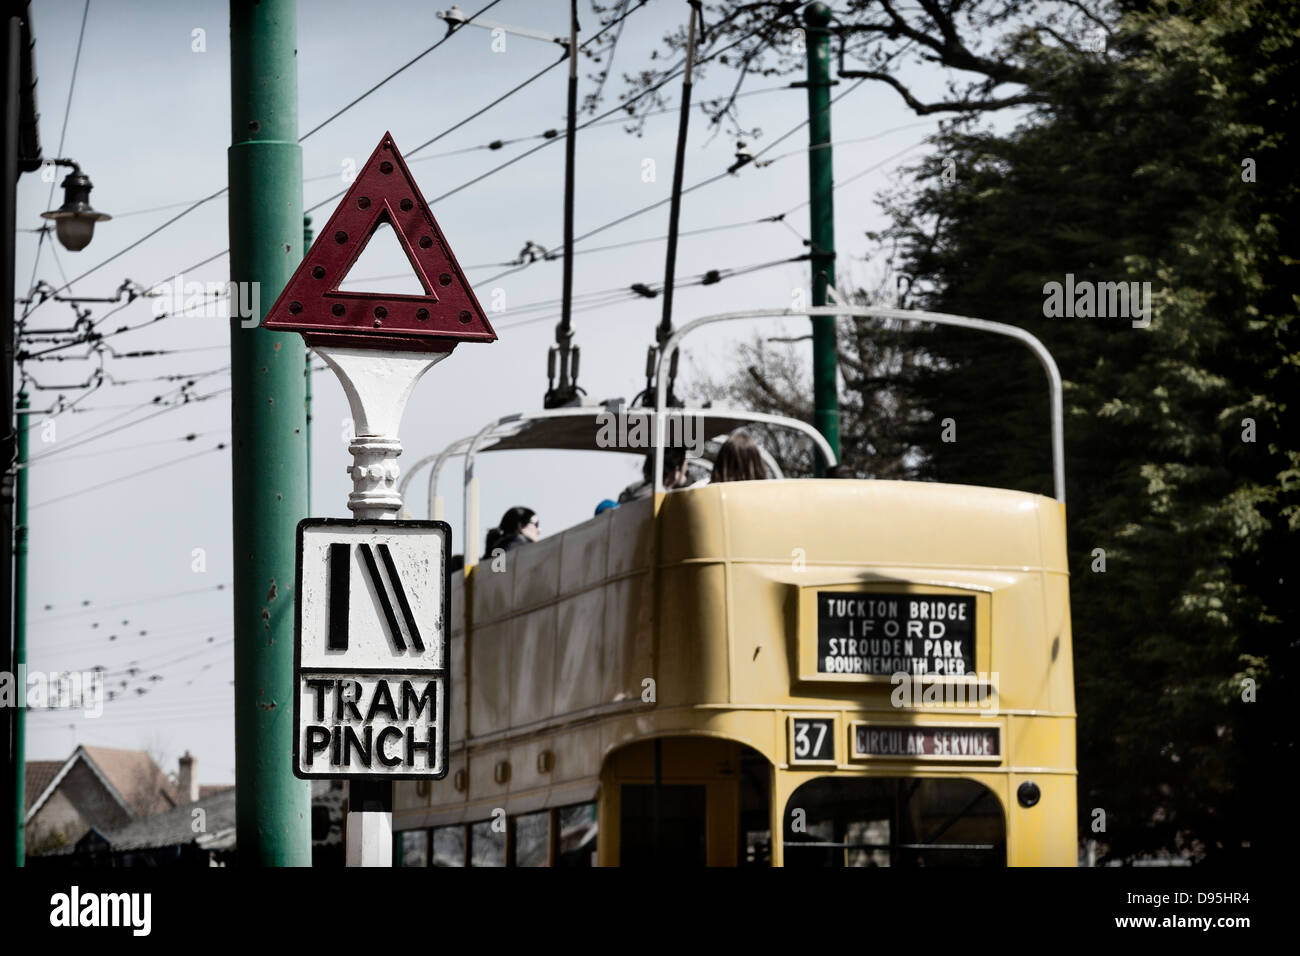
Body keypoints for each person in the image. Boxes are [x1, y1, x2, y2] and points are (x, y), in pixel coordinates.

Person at [618, 446, 691, 503]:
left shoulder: (637, 492)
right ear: (676, 471)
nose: (687, 472)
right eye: (685, 470)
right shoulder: (658, 499)